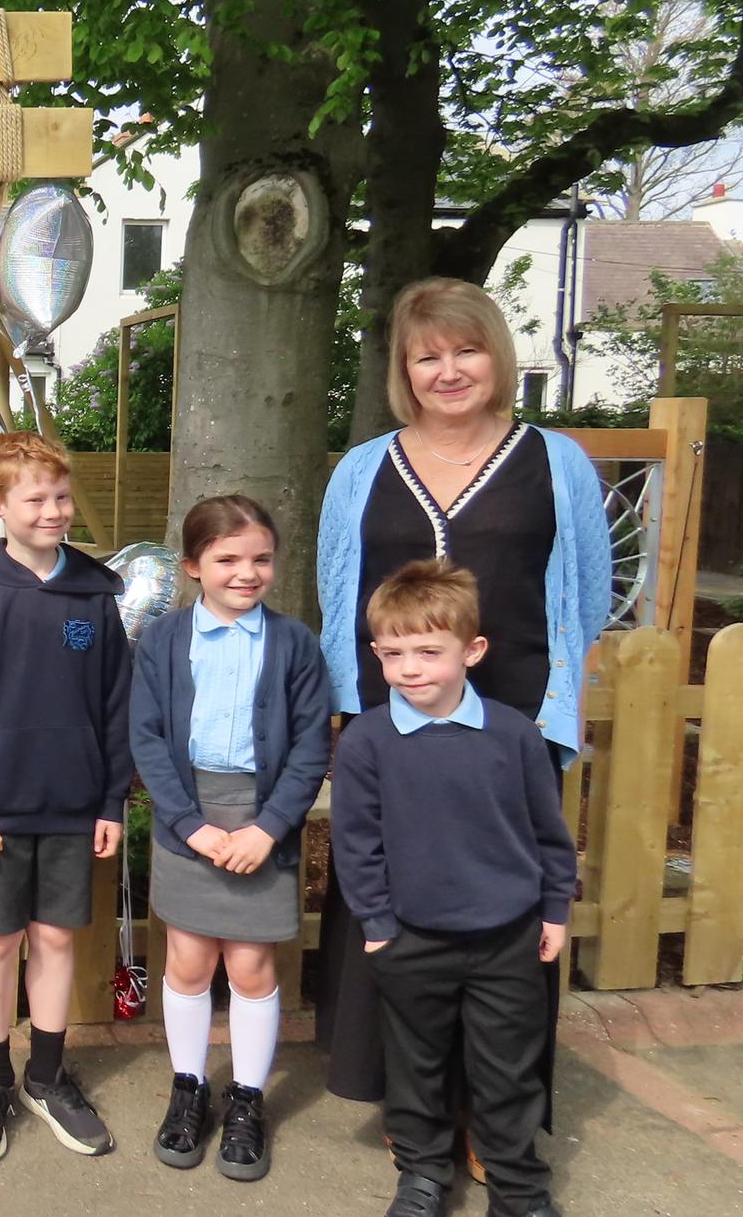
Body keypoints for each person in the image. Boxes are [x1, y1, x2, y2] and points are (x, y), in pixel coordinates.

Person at [314, 277, 610, 1134]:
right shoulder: (363, 468)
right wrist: (349, 714)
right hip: (391, 725)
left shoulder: (556, 462)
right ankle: (411, 1109)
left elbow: (587, 593)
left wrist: (556, 700)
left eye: (466, 349)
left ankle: (494, 1113)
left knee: (503, 921)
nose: (449, 369)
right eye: (427, 355)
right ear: (405, 370)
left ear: (498, 356)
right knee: (390, 901)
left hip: (510, 723)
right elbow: (341, 599)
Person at [331, 560, 575, 1217]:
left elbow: (549, 833)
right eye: (393, 652)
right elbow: (356, 844)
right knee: (416, 1065)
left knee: (508, 1070)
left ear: (472, 651)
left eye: (428, 651)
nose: (410, 667)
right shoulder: (367, 743)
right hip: (412, 939)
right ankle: (422, 1174)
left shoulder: (516, 735)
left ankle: (519, 1187)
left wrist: (554, 908)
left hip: (508, 938)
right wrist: (379, 925)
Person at [0, 431, 130, 1164]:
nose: (55, 510)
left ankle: (48, 1076)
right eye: (36, 498)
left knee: (53, 940)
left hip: (75, 808)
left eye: (62, 495)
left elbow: (116, 706)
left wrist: (111, 799)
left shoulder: (95, 592)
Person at [129, 495, 331, 1183]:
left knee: (249, 965)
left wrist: (269, 826)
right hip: (191, 813)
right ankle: (189, 1087)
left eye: (261, 559)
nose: (247, 572)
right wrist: (191, 824)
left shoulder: (296, 643)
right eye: (228, 559)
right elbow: (148, 740)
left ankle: (246, 1097)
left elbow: (308, 746)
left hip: (262, 815)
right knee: (187, 960)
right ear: (192, 566)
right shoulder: (162, 641)